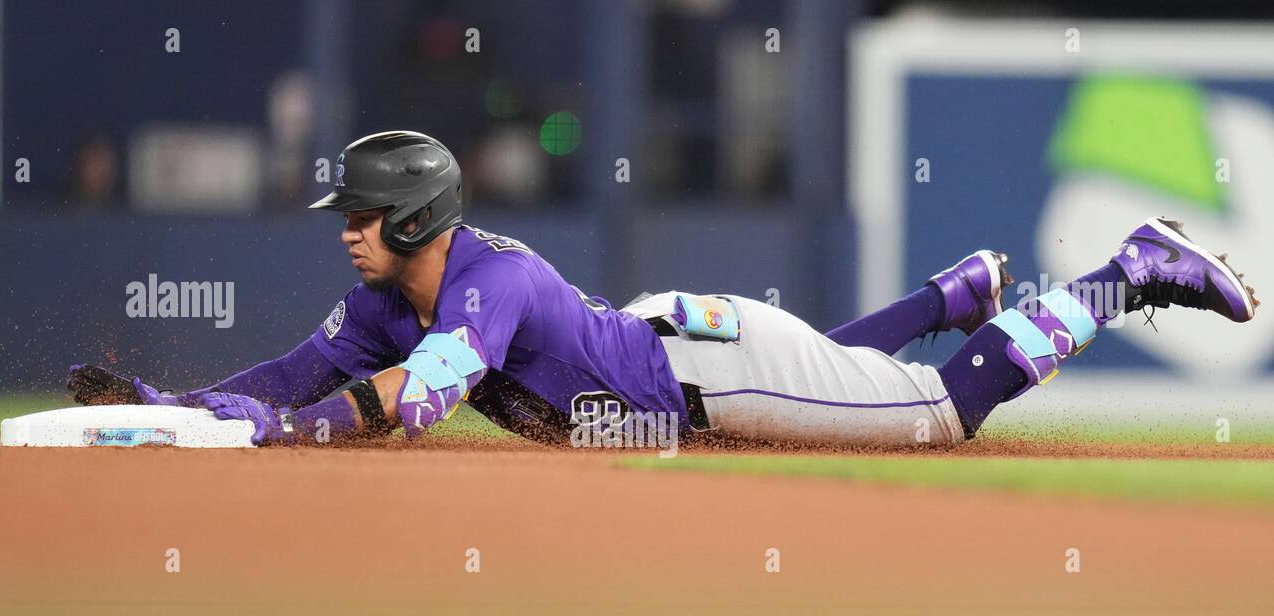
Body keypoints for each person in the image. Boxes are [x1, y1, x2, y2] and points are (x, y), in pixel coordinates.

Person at [68, 130, 1259, 447]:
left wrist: (292, 432)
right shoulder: (391, 293)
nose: (347, 233)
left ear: (418, 218)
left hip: (709, 372)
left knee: (934, 414)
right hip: (671, 359)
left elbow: (419, 401)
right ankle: (951, 294)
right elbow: (295, 375)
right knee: (832, 390)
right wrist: (192, 411)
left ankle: (1122, 274)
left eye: (362, 216)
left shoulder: (490, 281)